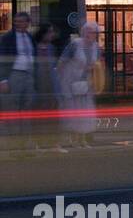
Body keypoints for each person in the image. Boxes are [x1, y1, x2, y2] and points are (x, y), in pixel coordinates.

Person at [57, 22, 101, 148]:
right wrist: (61, 80)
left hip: (86, 84)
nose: (89, 34)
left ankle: (83, 139)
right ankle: (73, 139)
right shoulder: (75, 44)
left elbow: (96, 65)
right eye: (87, 31)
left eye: (92, 32)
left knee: (85, 112)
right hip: (70, 82)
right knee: (73, 111)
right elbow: (62, 62)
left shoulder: (96, 47)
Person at [0, 11, 37, 150]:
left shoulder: (29, 37)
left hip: (29, 74)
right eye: (17, 22)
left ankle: (25, 143)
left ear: (28, 23)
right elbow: (2, 58)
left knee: (27, 108)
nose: (19, 24)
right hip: (14, 74)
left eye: (22, 21)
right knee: (13, 109)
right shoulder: (8, 38)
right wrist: (3, 80)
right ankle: (15, 144)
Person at [33, 23, 61, 151]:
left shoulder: (51, 48)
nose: (51, 35)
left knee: (53, 114)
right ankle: (39, 142)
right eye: (49, 32)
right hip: (39, 83)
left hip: (50, 83)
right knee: (40, 115)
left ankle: (53, 142)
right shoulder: (35, 48)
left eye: (52, 32)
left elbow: (54, 68)